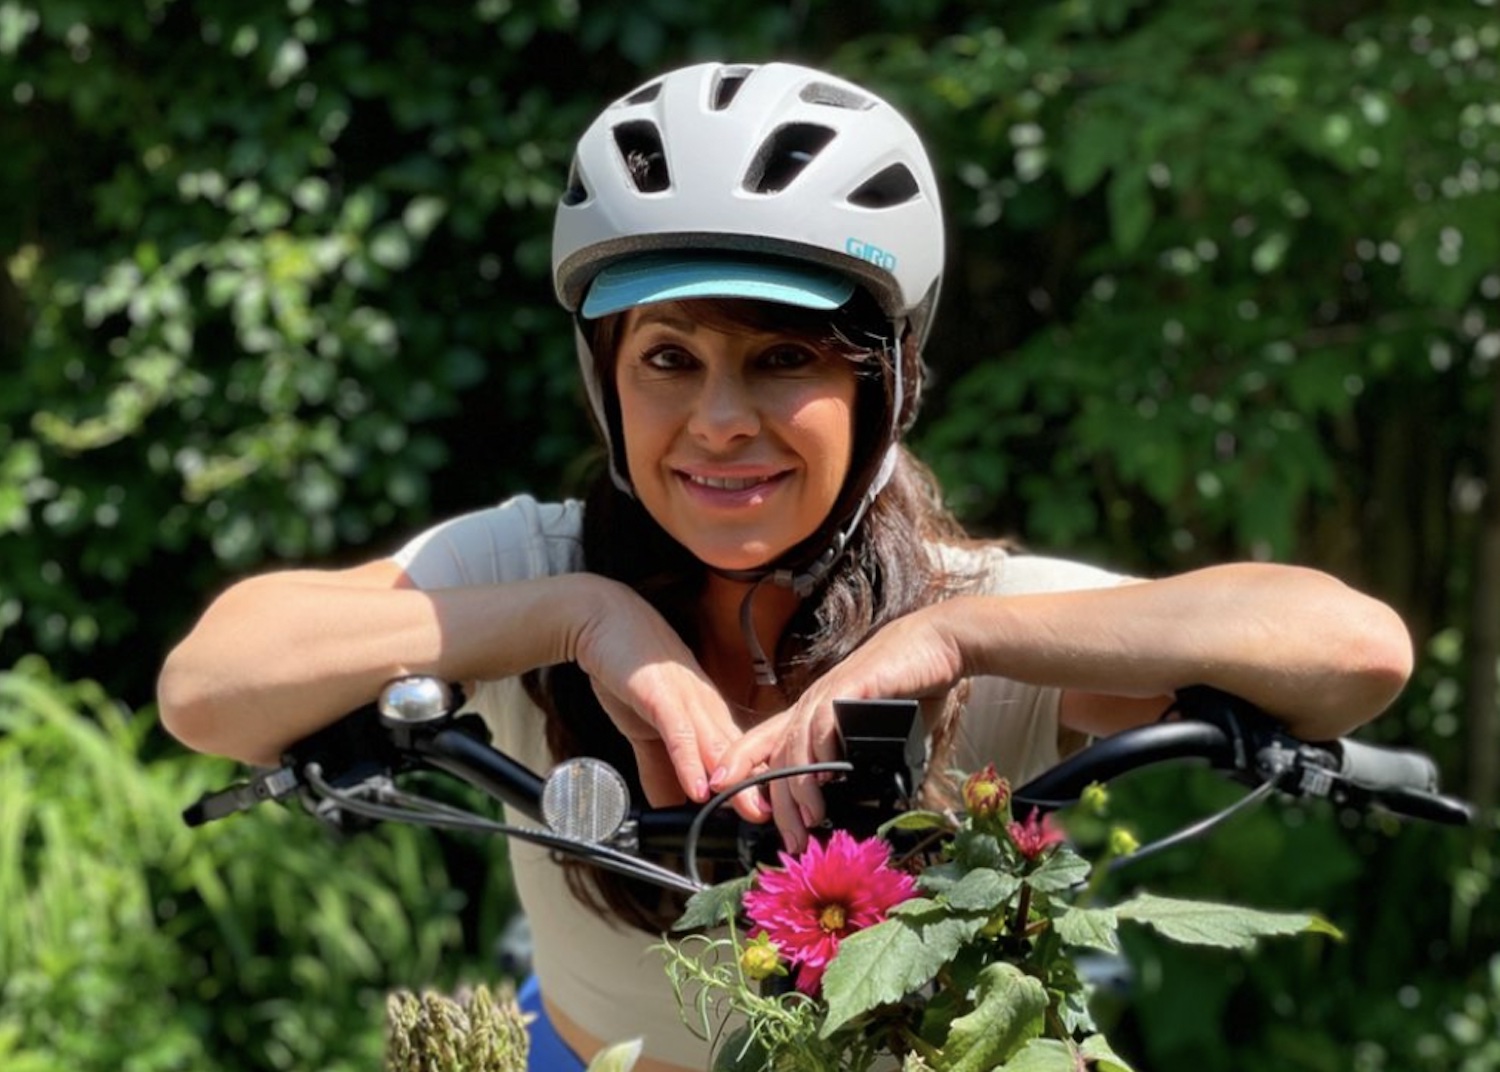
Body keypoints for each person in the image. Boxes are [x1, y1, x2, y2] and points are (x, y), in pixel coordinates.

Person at [157, 60, 1414, 1072]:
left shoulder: (968, 609)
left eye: (783, 360)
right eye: (668, 359)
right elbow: (211, 686)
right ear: (606, 378)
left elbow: (1352, 647)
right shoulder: (528, 566)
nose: (717, 420)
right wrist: (585, 617)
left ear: (887, 383)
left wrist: (943, 645)